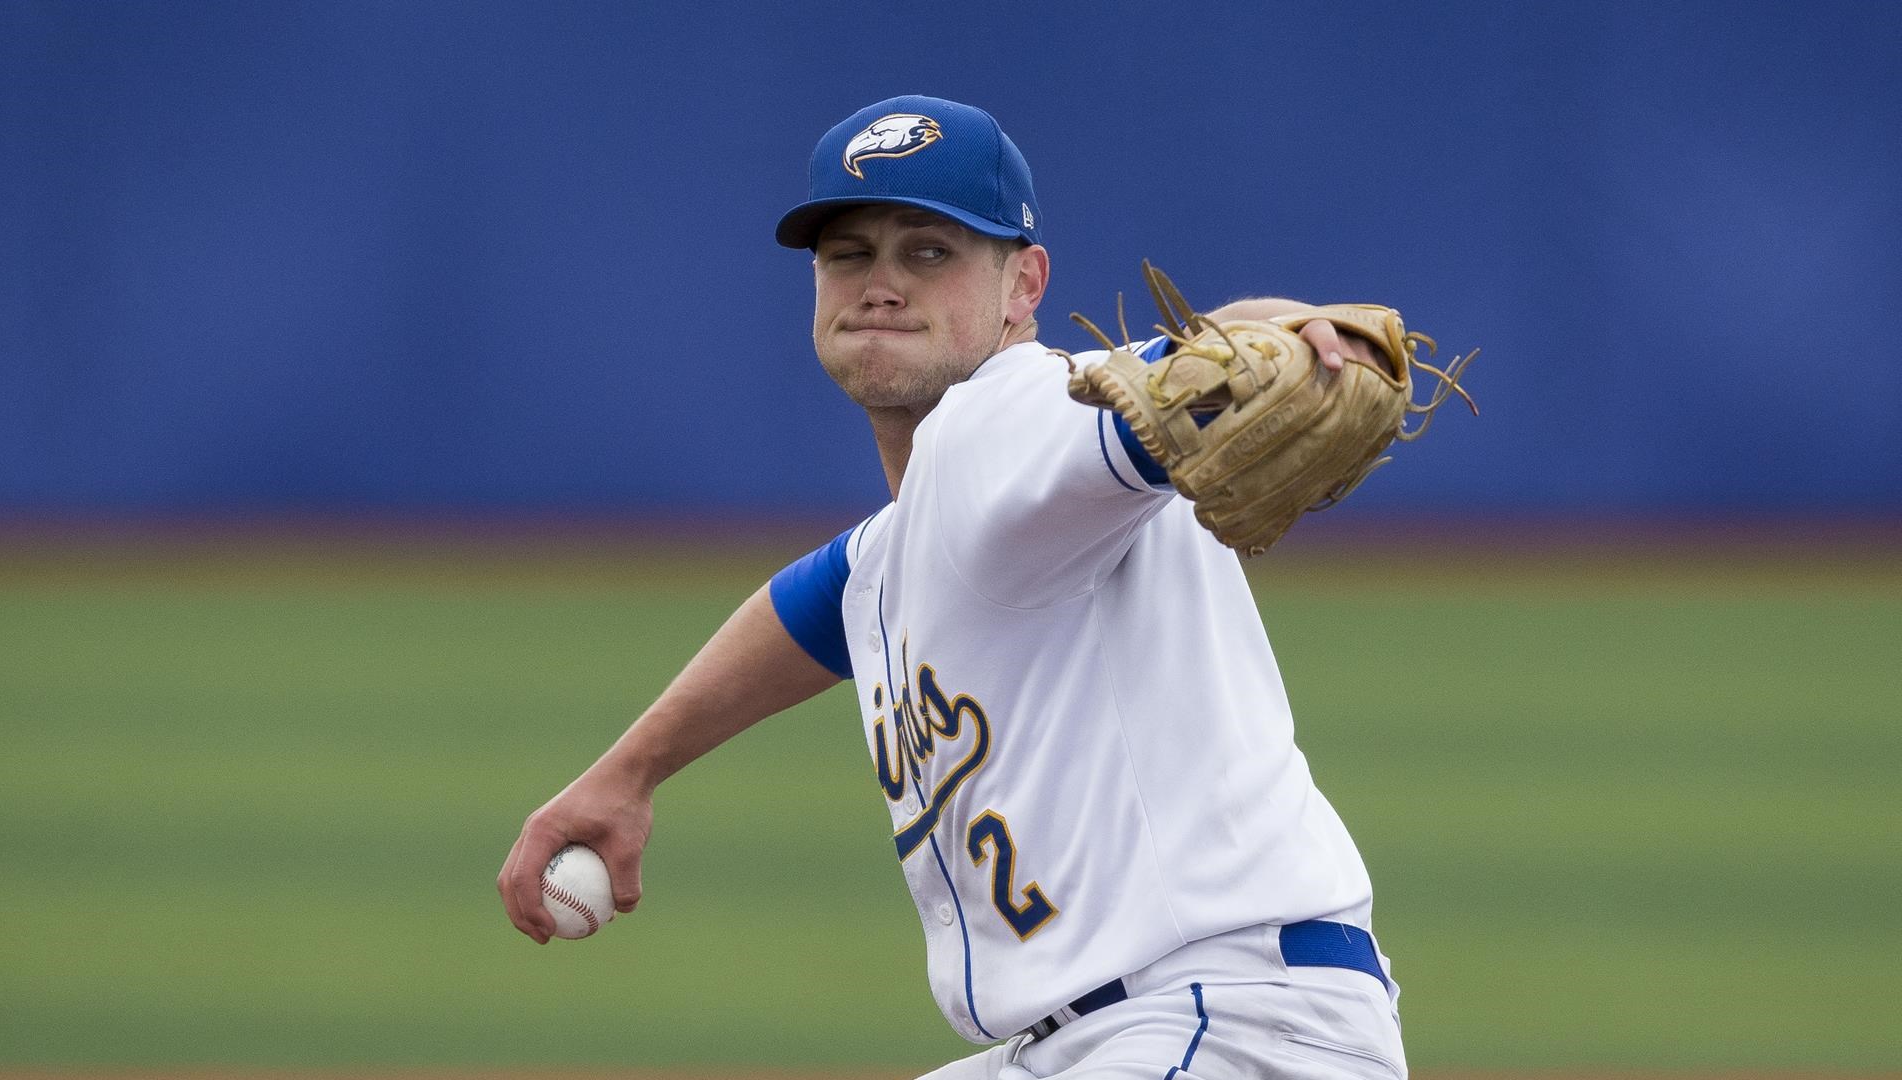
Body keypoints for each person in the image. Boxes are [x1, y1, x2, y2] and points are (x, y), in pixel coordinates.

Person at [497, 94, 1408, 1080]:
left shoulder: (1013, 418)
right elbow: (825, 597)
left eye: (929, 252)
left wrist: (1292, 327)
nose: (881, 284)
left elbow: (1182, 372)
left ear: (1026, 283)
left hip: (1222, 1025)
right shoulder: (926, 522)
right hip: (1144, 1029)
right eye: (848, 254)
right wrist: (628, 773)